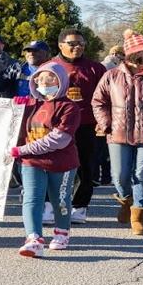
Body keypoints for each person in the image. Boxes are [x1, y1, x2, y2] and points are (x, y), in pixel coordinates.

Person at [92, 28, 143, 235]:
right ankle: (126, 201)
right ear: (131, 53)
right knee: (119, 176)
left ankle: (139, 215)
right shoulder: (111, 75)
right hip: (117, 133)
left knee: (142, 174)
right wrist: (106, 124)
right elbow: (98, 102)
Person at [11, 62, 81, 256]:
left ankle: (62, 231)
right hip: (31, 162)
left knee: (60, 200)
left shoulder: (69, 108)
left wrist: (22, 149)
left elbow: (58, 140)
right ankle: (33, 238)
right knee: (31, 199)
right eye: (39, 79)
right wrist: (13, 108)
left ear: (61, 81)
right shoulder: (31, 104)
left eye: (50, 78)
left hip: (61, 163)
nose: (44, 82)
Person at [48, 28, 107, 225]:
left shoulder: (96, 68)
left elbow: (106, 97)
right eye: (72, 43)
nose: (77, 47)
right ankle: (49, 206)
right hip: (56, 126)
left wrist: (104, 121)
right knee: (52, 165)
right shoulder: (50, 67)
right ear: (61, 45)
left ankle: (80, 207)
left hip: (87, 125)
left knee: (85, 166)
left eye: (81, 43)